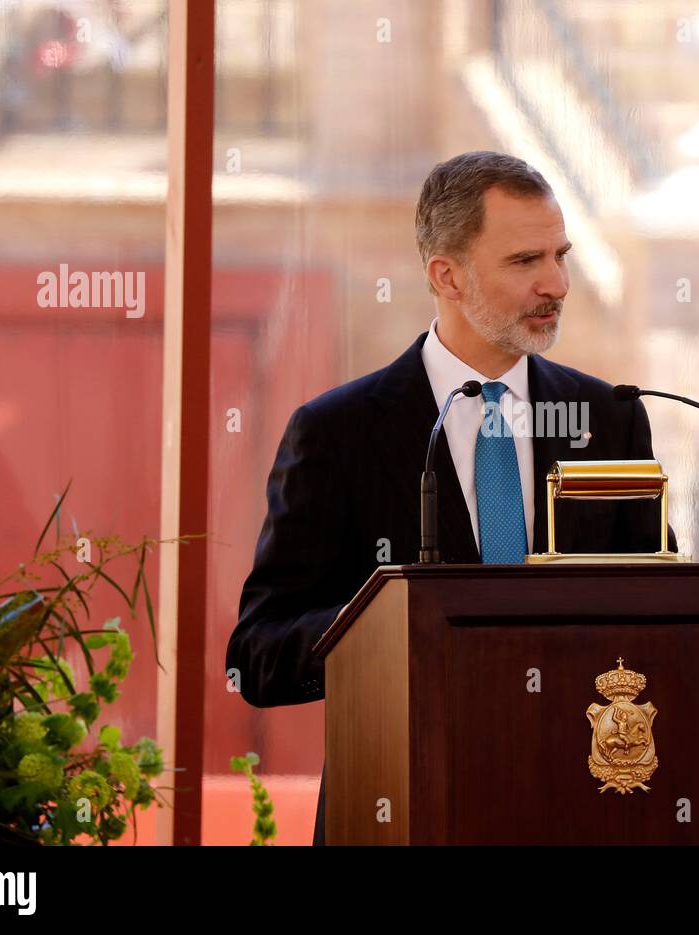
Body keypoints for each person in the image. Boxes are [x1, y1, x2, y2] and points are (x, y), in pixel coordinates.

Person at [227, 151, 674, 844]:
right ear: (447, 275)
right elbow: (256, 655)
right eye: (526, 261)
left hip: (582, 807)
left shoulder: (608, 417)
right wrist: (380, 625)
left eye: (561, 255)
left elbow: (662, 615)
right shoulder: (338, 432)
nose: (556, 283)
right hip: (400, 806)